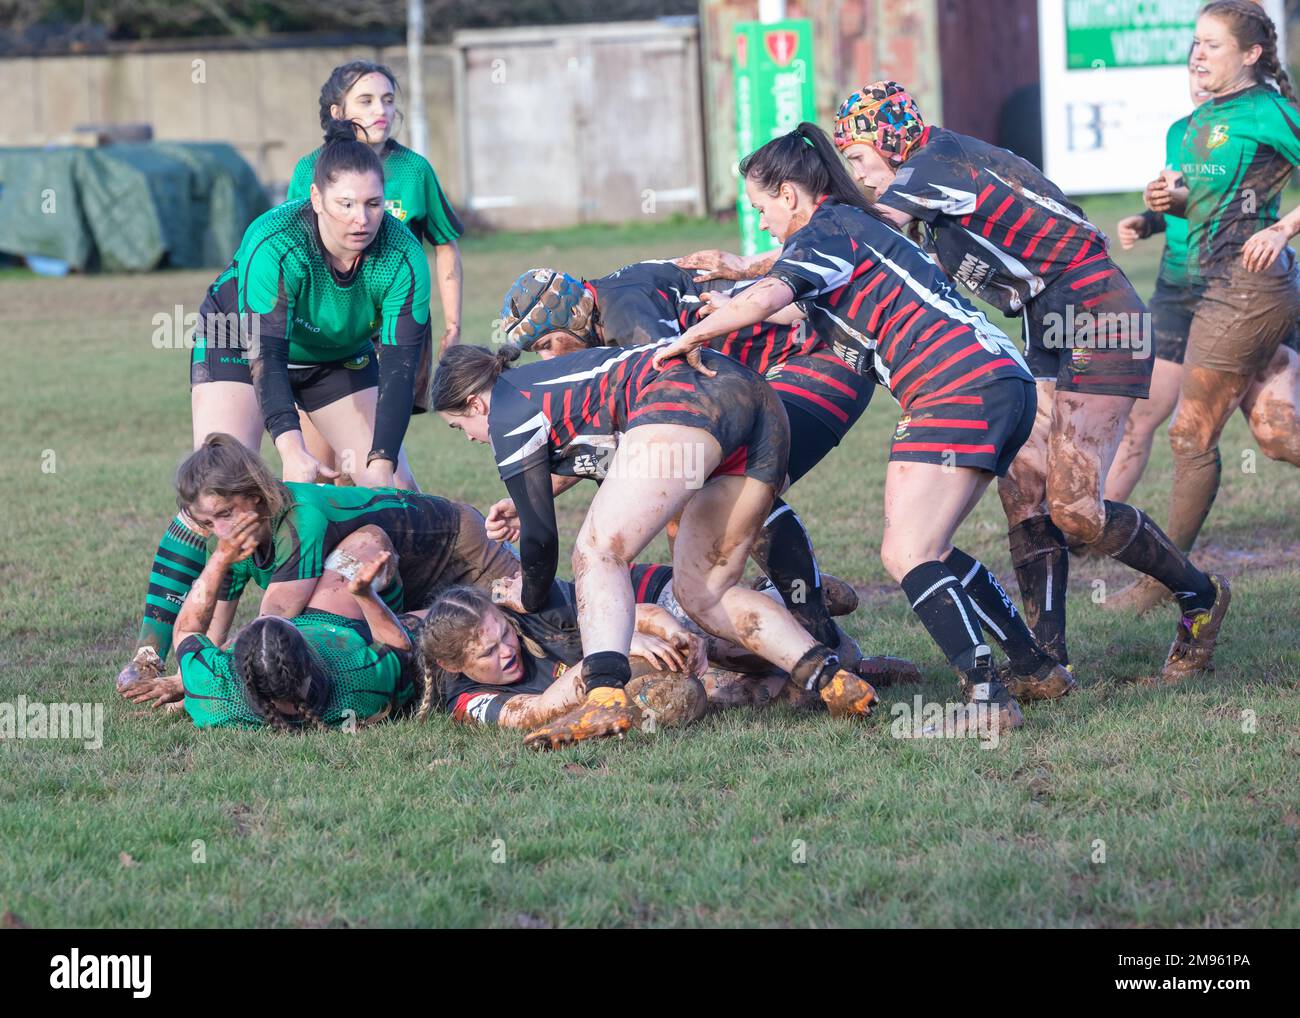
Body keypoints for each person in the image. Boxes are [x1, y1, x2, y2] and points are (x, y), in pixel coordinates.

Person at [656, 123, 1070, 732]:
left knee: (906, 553)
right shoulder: (861, 226)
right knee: (931, 548)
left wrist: (689, 338)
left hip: (955, 387)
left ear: (791, 194)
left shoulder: (825, 228)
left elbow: (776, 293)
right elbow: (806, 301)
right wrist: (731, 303)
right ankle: (1034, 668)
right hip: (1000, 381)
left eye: (761, 206)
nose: (763, 220)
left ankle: (989, 704)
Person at [431, 341, 881, 747]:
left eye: (459, 427)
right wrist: (535, 497)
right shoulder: (541, 387)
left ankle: (604, 695)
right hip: (753, 403)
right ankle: (832, 680)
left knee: (596, 551)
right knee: (704, 594)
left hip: (686, 400)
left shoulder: (509, 409)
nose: (470, 438)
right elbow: (616, 451)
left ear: (474, 403)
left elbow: (541, 539)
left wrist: (529, 596)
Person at [119, 116, 434, 682]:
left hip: (333, 354)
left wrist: (381, 465)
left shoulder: (403, 252)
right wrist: (290, 449)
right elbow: (267, 360)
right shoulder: (275, 239)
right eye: (344, 204)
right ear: (314, 199)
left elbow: (400, 369)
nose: (361, 219)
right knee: (219, 496)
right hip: (239, 341)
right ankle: (152, 651)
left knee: (400, 495)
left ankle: (397, 640)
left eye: (373, 204)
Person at [495, 259, 873, 662]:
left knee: (725, 485)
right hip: (758, 378)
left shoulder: (627, 319)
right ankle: (787, 616)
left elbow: (675, 405)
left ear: (574, 317)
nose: (547, 360)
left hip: (821, 356)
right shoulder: (603, 304)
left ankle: (819, 634)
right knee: (704, 485)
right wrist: (543, 491)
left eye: (546, 345)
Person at [1119, 1, 1300, 613]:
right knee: (1275, 434)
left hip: (1244, 289)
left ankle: (1158, 583)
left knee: (1190, 434)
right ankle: (1112, 547)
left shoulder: (1269, 111)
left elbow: (1256, 211)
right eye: (1195, 42)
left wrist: (1282, 230)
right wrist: (1157, 207)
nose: (1197, 53)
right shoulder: (1192, 123)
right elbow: (1198, 202)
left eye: (1212, 44)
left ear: (1250, 55)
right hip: (1190, 290)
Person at [116, 434, 521, 688]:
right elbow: (209, 637)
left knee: (530, 617)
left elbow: (271, 624)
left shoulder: (299, 519)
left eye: (225, 515)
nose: (220, 530)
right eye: (208, 522)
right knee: (434, 643)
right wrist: (194, 673)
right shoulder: (231, 543)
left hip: (459, 543)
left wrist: (182, 682)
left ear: (256, 496)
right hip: (400, 575)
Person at [287, 60, 465, 473]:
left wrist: (453, 324)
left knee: (377, 451)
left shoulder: (415, 170)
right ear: (337, 112)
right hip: (326, 331)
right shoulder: (309, 169)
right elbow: (291, 256)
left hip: (392, 328)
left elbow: (445, 245)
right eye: (365, 101)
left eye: (387, 99)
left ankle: (375, 529)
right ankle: (320, 532)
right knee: (323, 462)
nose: (380, 110)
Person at [125, 511, 417, 729]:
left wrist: (219, 558)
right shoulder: (359, 680)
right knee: (371, 539)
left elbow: (187, 628)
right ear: (309, 656)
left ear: (239, 668)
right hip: (334, 626)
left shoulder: (212, 691)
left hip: (324, 635)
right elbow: (402, 648)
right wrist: (365, 595)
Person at [415, 584, 709, 746]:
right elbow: (535, 713)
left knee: (718, 640)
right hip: (635, 680)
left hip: (659, 586)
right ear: (452, 665)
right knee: (706, 692)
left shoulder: (533, 615)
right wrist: (608, 652)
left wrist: (679, 636)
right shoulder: (467, 701)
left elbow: (639, 613)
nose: (506, 650)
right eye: (488, 652)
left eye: (505, 633)